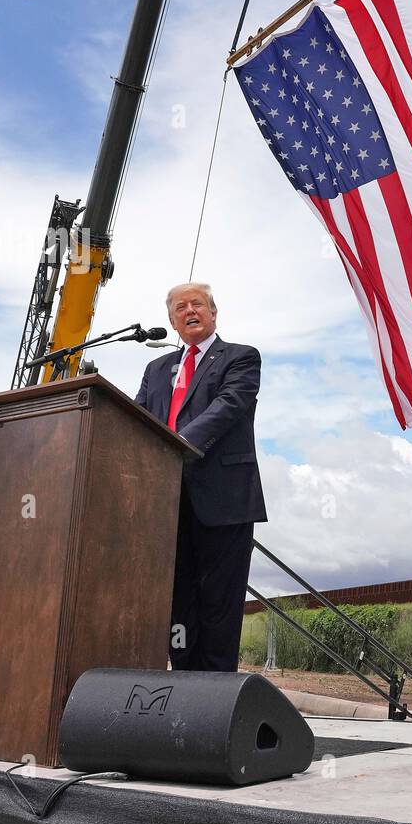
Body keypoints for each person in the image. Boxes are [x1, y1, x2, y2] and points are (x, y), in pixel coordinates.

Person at [135, 282, 267, 671]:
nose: (189, 310)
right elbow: (138, 417)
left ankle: (216, 695)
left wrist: (176, 444)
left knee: (219, 601)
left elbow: (228, 407)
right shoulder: (156, 369)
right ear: (172, 320)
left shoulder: (241, 358)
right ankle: (183, 684)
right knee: (178, 600)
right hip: (167, 500)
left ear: (213, 313)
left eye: (197, 304)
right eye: (180, 307)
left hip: (223, 500)